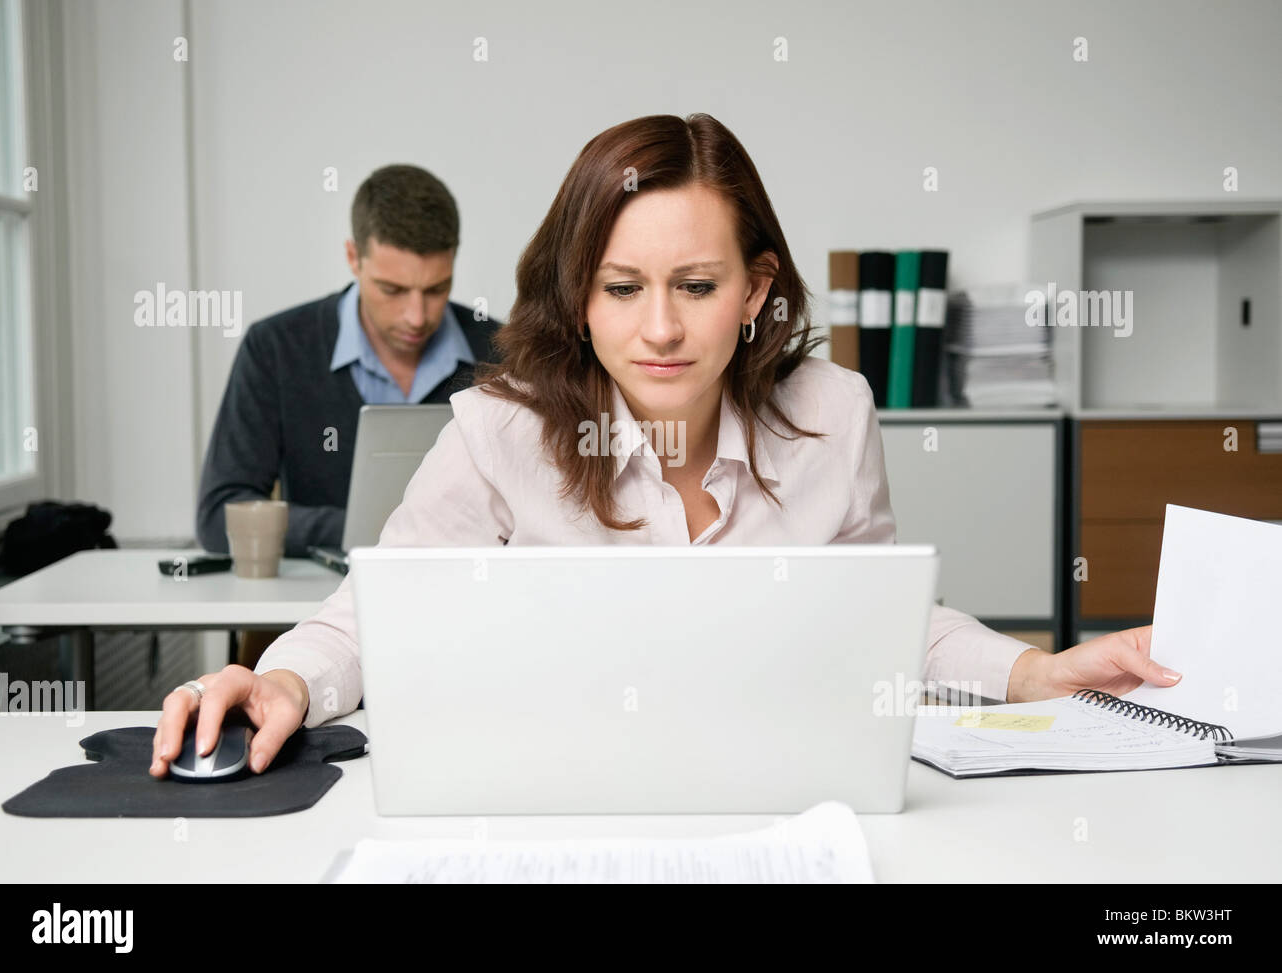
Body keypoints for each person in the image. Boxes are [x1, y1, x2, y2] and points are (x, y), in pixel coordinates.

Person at [152, 113, 1181, 778]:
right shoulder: (499, 424)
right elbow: (364, 618)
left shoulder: (834, 412)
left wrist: (1035, 672)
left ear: (754, 290)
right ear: (579, 297)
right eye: (620, 287)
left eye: (696, 285)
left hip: (777, 795)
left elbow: (884, 617)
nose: (659, 330)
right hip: (565, 801)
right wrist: (281, 682)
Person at [195, 164, 504, 558]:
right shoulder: (276, 348)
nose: (417, 315)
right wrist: (372, 529)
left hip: (464, 594)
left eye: (436, 289)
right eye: (392, 289)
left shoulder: (504, 354)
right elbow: (220, 517)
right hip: (315, 601)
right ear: (352, 257)